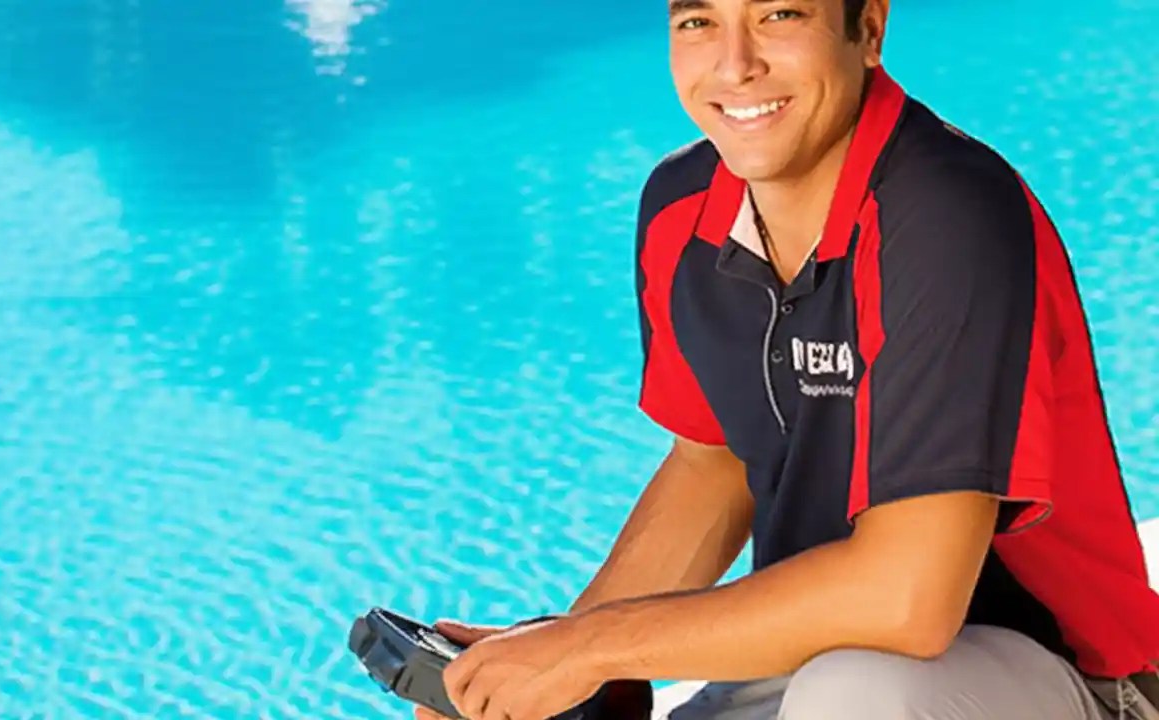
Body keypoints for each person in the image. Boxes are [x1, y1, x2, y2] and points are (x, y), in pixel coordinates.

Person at [413, 1, 1159, 718]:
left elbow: (911, 601)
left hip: (1066, 682)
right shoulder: (681, 208)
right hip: (818, 663)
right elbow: (713, 465)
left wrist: (592, 647)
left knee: (856, 694)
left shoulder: (949, 213)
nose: (735, 65)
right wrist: (562, 675)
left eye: (779, 16)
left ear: (869, 29)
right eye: (699, 21)